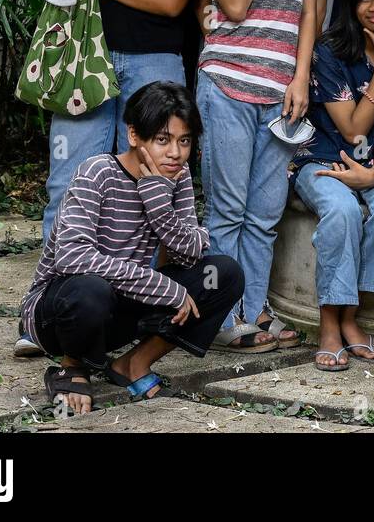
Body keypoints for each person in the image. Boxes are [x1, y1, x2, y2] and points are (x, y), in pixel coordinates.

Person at [15, 0, 205, 358]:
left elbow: (169, 1)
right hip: (85, 56)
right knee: (67, 181)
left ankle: (130, 309)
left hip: (156, 63)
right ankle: (47, 312)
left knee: (154, 183)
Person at [20, 81, 242, 415]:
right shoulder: (97, 173)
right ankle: (72, 365)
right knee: (90, 289)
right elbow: (72, 257)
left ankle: (133, 363)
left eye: (184, 141)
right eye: (163, 140)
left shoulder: (176, 176)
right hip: (59, 312)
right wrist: (166, 288)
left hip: (121, 305)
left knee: (223, 273)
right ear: (134, 135)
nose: (175, 153)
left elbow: (191, 252)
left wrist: (159, 207)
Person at [189, 0, 325, 352]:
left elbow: (308, 13)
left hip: (282, 93)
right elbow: (238, 6)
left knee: (265, 214)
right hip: (226, 87)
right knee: (227, 211)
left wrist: (300, 78)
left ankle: (253, 310)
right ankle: (223, 320)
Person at [290, 0, 374, 370]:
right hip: (323, 159)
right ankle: (330, 324)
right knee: (341, 210)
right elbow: (354, 131)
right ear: (350, 4)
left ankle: (351, 318)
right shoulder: (330, 51)